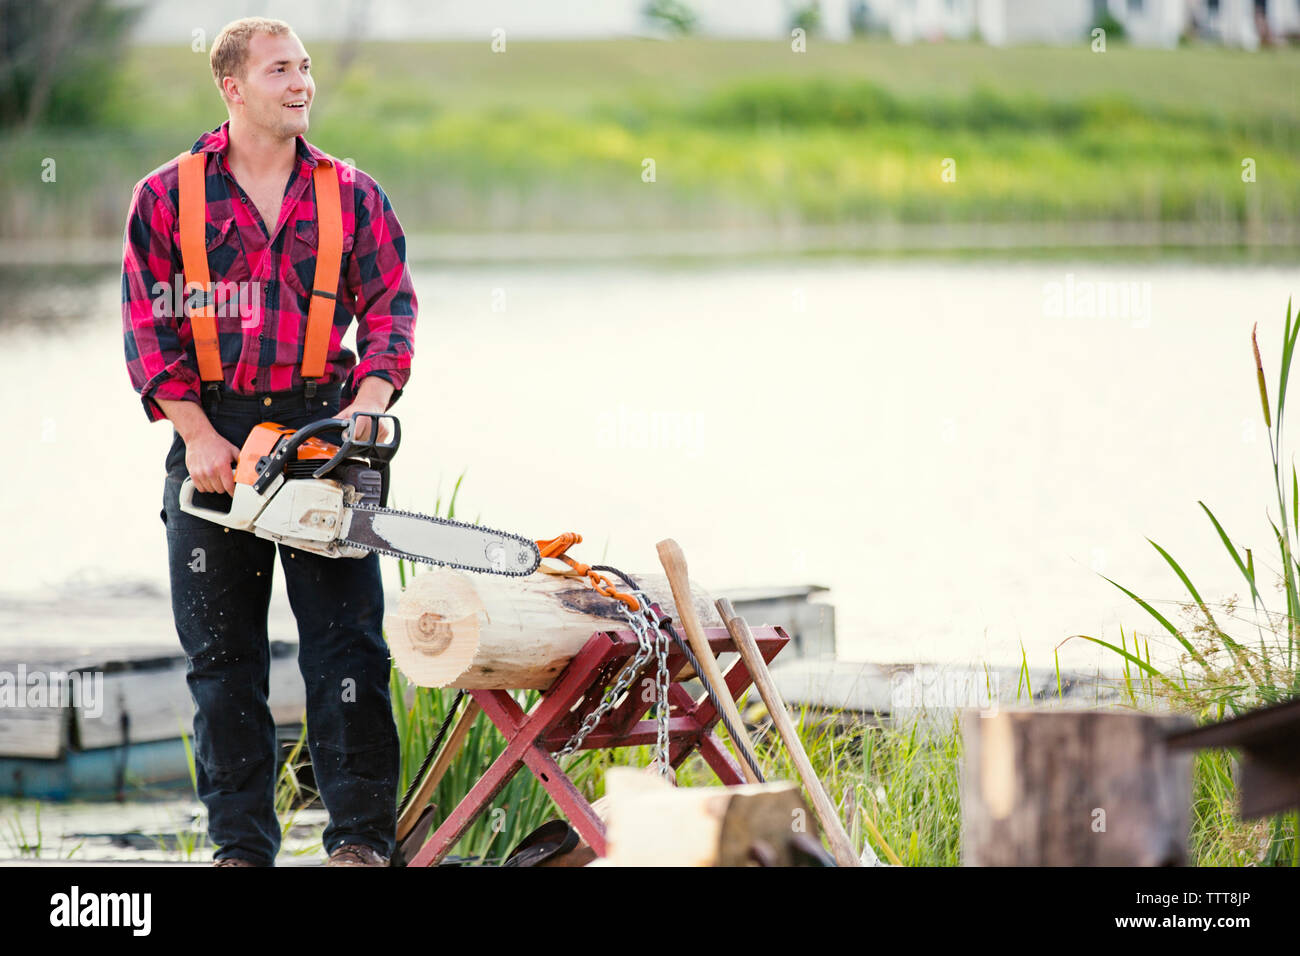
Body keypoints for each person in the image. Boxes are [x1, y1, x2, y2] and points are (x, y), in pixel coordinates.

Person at [120, 16, 417, 867]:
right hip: (211, 438)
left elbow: (392, 309)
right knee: (222, 663)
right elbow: (149, 334)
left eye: (307, 67)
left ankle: (360, 844)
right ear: (233, 86)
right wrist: (202, 438)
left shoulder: (352, 193)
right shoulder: (166, 196)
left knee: (349, 650)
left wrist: (368, 403)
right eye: (281, 69)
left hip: (328, 436)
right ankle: (240, 851)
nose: (301, 83)